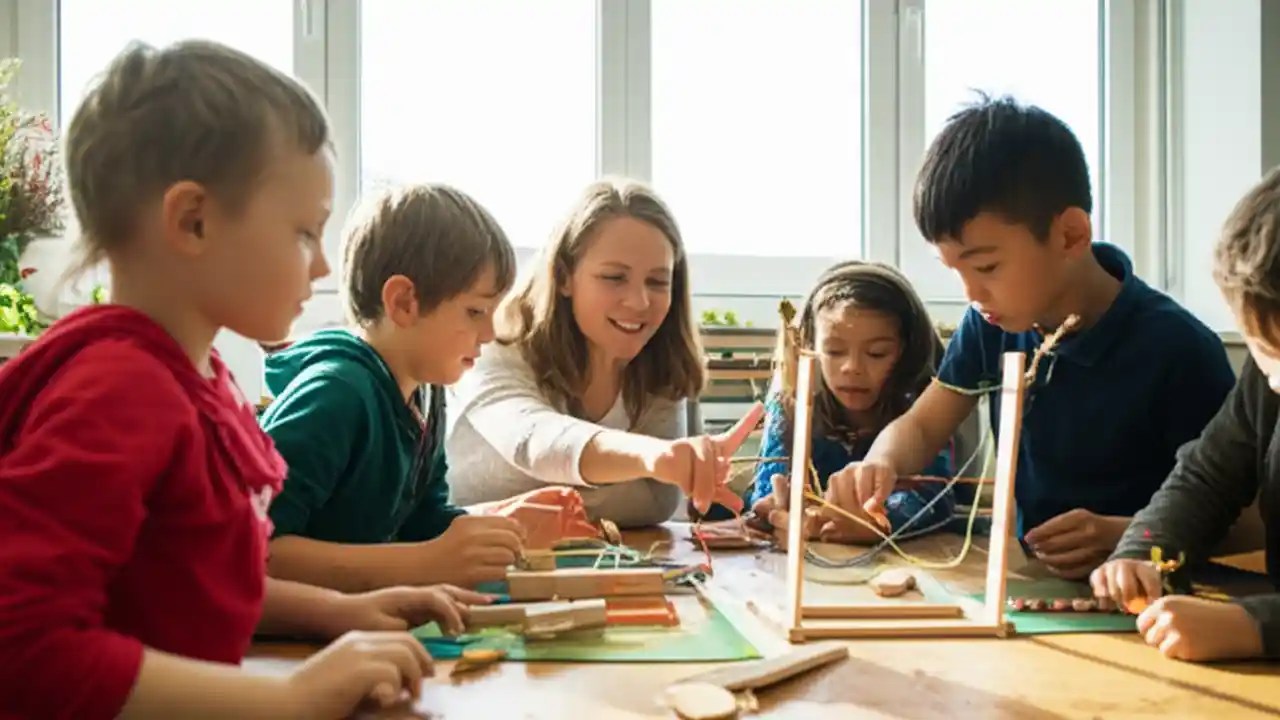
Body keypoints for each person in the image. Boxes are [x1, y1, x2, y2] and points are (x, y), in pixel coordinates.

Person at [0, 40, 480, 719]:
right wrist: (288, 698)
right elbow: (22, 647)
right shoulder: (121, 392)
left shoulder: (199, 379)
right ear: (192, 221)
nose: (322, 268)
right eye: (304, 233)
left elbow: (188, 586)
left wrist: (336, 610)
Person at [829, 95, 1235, 578]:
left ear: (1070, 235)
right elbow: (921, 427)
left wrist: (1135, 534)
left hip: (1156, 597)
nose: (971, 293)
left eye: (986, 267)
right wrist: (880, 462)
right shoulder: (992, 324)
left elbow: (1248, 522)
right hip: (1038, 587)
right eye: (955, 270)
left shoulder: (1179, 349)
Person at [260, 184, 529, 592]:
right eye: (475, 311)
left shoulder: (426, 392)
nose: (490, 333)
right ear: (403, 302)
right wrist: (427, 563)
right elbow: (255, 550)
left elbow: (421, 521)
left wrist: (502, 527)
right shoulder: (335, 395)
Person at [446, 178, 758, 527]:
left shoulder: (661, 367)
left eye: (657, 282)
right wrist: (653, 458)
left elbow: (657, 500)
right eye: (614, 277)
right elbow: (534, 442)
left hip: (612, 557)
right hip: (477, 557)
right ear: (564, 276)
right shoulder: (494, 348)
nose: (639, 302)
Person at [1091, 166, 1280, 662]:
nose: (1276, 378)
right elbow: (1205, 477)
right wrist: (1142, 550)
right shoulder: (1266, 382)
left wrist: (1254, 626)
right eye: (1265, 350)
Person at [747, 260, 957, 544]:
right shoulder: (790, 404)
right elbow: (766, 489)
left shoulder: (923, 409)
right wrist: (775, 510)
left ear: (907, 354)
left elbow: (935, 499)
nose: (852, 368)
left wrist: (876, 520)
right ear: (809, 348)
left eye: (877, 353)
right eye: (834, 351)